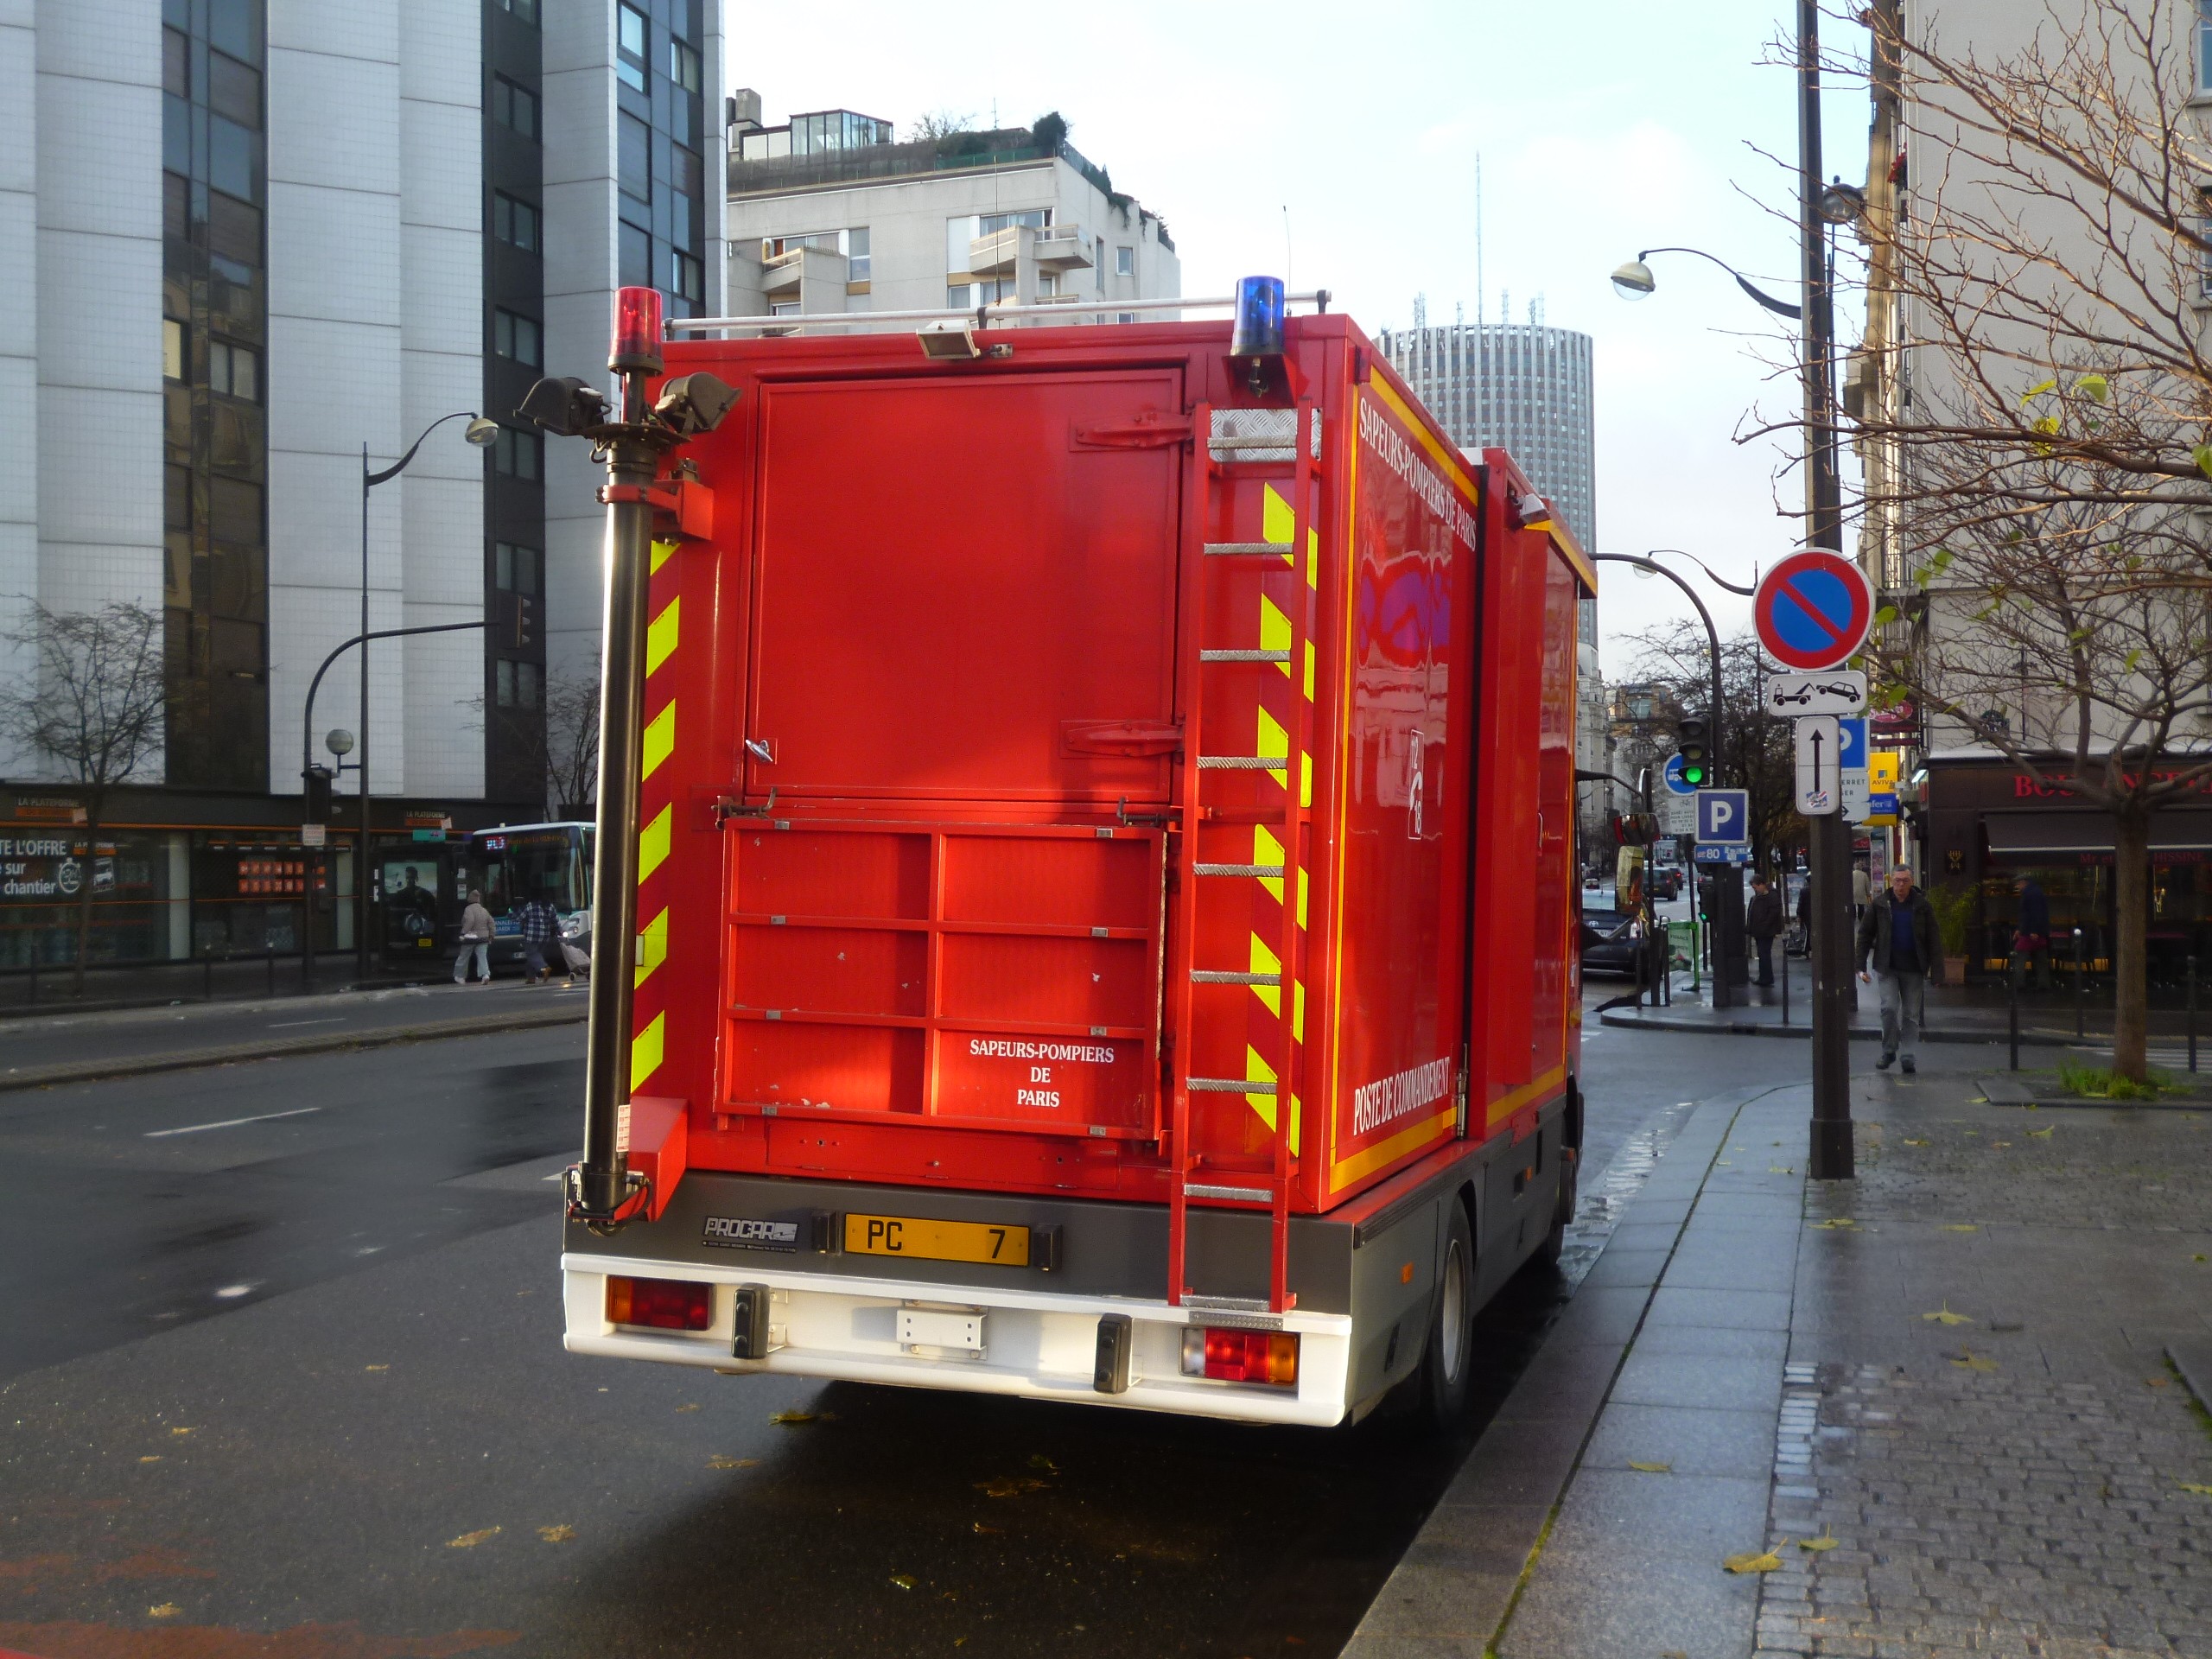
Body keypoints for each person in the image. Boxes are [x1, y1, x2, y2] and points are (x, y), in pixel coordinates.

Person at [1857, 864, 1937, 1073]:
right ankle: (1889, 1050)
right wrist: (1859, 966)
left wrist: (1937, 970)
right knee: (1889, 1008)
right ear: (1891, 881)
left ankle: (1908, 1056)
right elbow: (1865, 935)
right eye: (1897, 881)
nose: (1900, 885)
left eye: (1905, 881)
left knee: (1911, 1014)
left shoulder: (1922, 906)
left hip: (1913, 967)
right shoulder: (1881, 905)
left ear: (1912, 882)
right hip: (1887, 966)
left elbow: (1933, 938)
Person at [2013, 875, 2052, 991]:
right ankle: (2044, 984)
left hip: (2030, 934)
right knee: (2040, 960)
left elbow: (2032, 913)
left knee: (2020, 957)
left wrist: (2033, 930)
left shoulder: (2030, 893)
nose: (2017, 887)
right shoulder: (2036, 891)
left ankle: (2019, 984)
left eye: (2018, 884)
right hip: (2037, 933)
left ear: (2024, 882)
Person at [1745, 874, 1783, 987]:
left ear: (1761, 884)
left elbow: (1773, 914)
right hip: (1760, 930)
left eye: (1755, 887)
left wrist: (1764, 925)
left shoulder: (1771, 896)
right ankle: (1764, 977)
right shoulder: (1758, 897)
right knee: (1762, 954)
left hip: (1766, 931)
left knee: (1764, 953)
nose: (1755, 889)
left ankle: (1766, 978)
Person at [517, 888, 559, 985]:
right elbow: (555, 921)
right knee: (535, 956)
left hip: (532, 935)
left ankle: (544, 968)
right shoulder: (550, 906)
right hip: (545, 936)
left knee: (532, 955)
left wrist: (511, 913)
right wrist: (559, 931)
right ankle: (531, 978)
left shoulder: (530, 906)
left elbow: (520, 917)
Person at [454, 888, 494, 986]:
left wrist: (463, 933)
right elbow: (491, 923)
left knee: (464, 956)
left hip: (471, 937)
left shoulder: (468, 909)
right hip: (484, 938)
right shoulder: (484, 910)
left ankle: (460, 976)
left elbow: (470, 921)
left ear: (470, 899)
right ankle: (485, 975)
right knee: (482, 957)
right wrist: (491, 935)